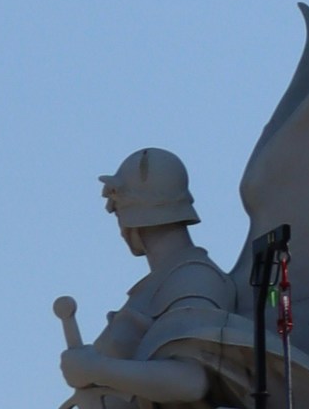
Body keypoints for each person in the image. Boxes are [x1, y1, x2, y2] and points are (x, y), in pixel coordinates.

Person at [55, 153, 241, 408]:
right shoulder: (160, 284)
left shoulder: (193, 278)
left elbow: (191, 381)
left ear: (132, 212)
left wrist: (95, 368)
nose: (113, 212)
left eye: (115, 205)